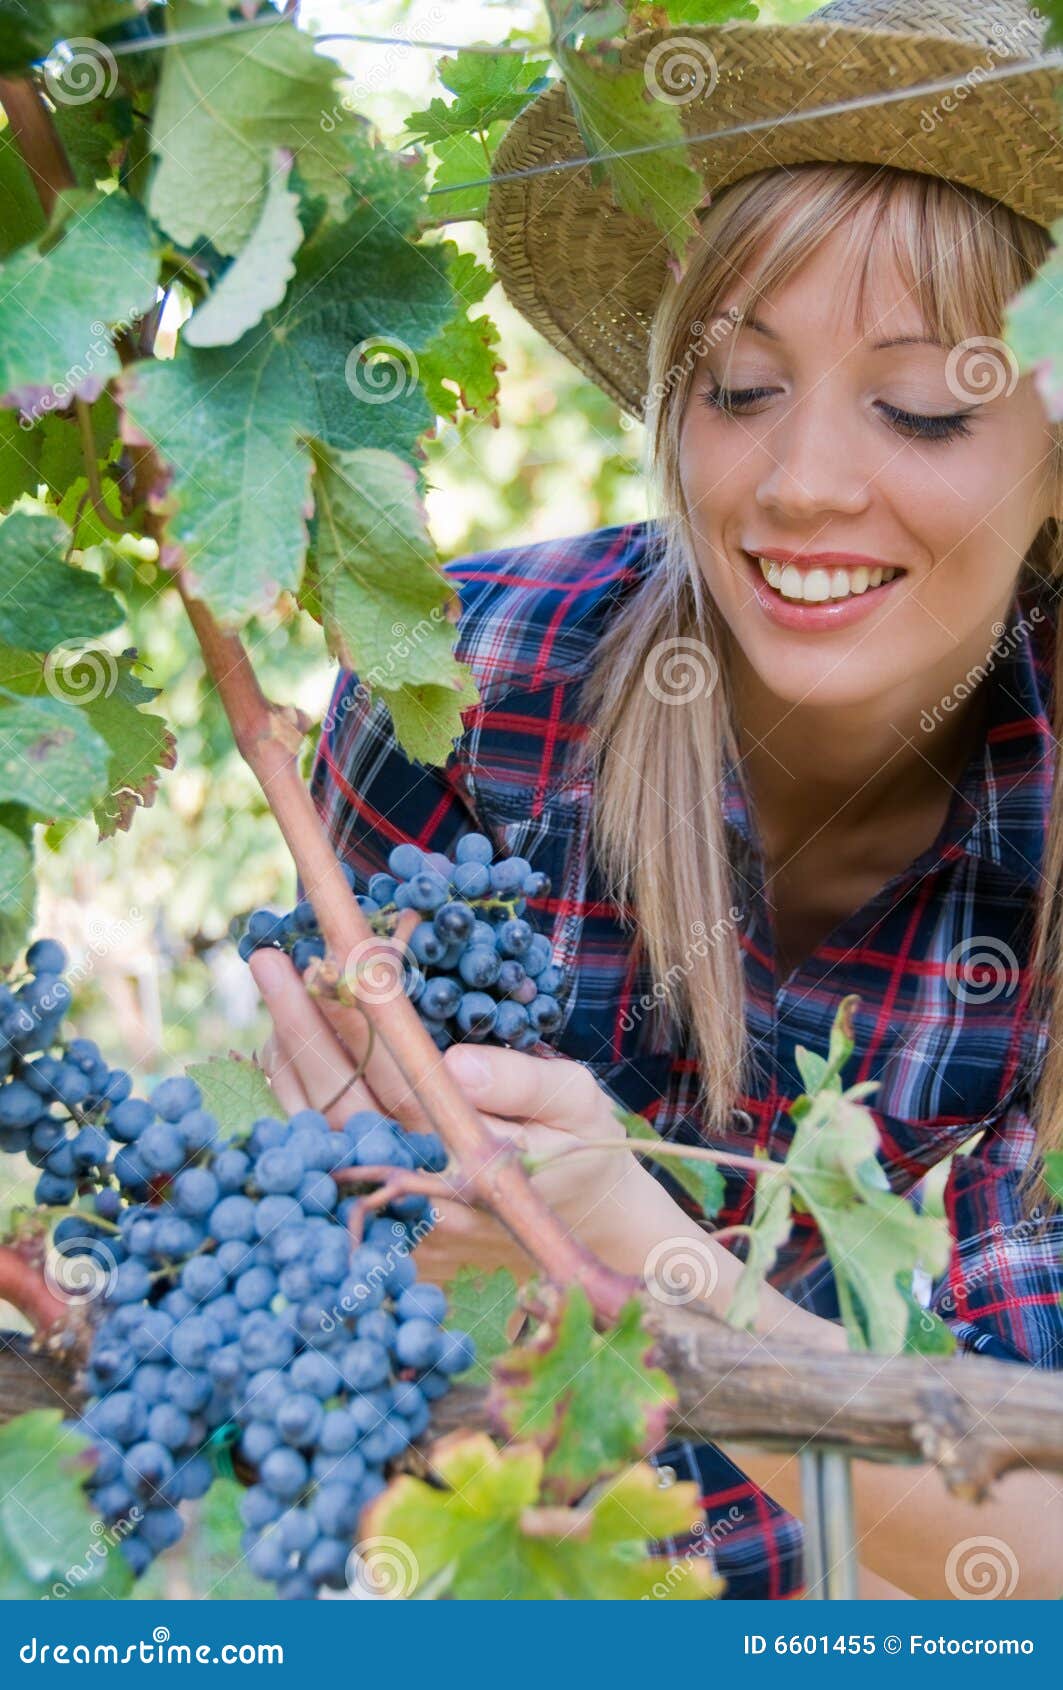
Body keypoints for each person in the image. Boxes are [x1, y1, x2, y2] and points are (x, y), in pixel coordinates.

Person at [252, 0, 1063, 1599]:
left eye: (923, 405)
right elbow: (326, 1363)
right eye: (740, 387)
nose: (800, 482)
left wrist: (648, 1258)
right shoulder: (464, 682)